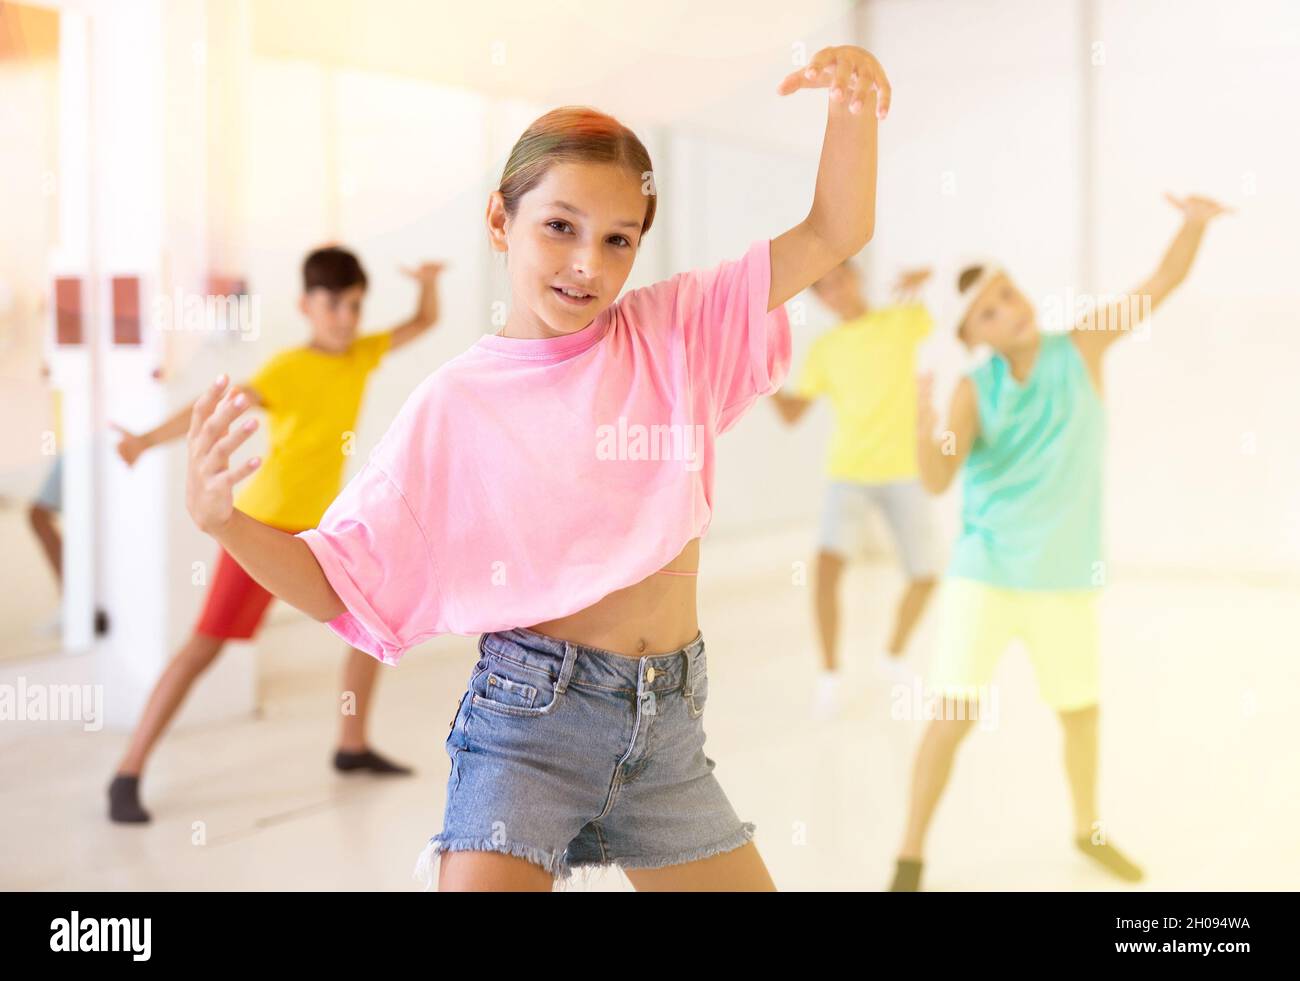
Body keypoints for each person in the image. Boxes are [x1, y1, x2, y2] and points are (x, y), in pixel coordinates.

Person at [182, 45, 892, 891]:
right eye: (560, 226)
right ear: (499, 221)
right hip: (527, 727)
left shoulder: (676, 331)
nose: (588, 263)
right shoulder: (455, 405)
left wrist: (852, 106)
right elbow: (337, 582)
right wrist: (223, 520)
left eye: (618, 239)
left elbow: (832, 231)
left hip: (666, 726)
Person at [891, 193, 1230, 891]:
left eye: (1009, 295)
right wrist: (923, 421)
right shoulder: (970, 390)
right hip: (985, 572)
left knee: (1080, 712)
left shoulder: (1083, 344)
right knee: (951, 715)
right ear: (972, 335)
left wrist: (1192, 224)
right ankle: (910, 856)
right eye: (988, 311)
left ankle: (1088, 828)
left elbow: (1158, 285)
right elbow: (934, 478)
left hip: (1063, 577)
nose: (1010, 310)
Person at [106, 246, 445, 824]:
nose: (346, 316)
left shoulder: (362, 354)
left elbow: (424, 322)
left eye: (356, 304)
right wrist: (142, 440)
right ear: (306, 306)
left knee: (373, 623)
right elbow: (212, 405)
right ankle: (128, 771)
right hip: (262, 531)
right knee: (204, 647)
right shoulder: (288, 369)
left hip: (320, 531)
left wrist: (428, 282)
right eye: (334, 304)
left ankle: (351, 745)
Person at [770, 261, 941, 716]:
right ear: (819, 300)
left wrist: (930, 277)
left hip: (905, 470)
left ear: (858, 274)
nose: (834, 291)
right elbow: (791, 415)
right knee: (825, 569)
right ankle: (830, 675)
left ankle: (894, 657)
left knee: (925, 575)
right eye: (822, 289)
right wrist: (758, 372)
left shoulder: (903, 320)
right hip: (849, 473)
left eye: (839, 278)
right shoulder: (824, 349)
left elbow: (954, 314)